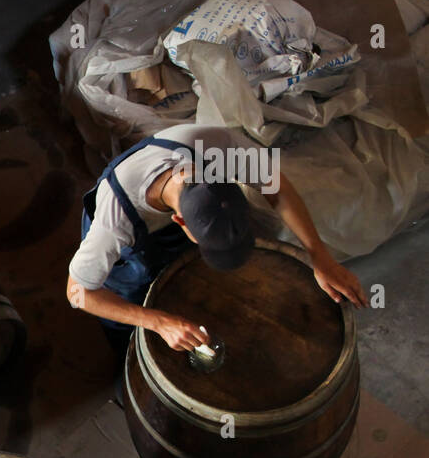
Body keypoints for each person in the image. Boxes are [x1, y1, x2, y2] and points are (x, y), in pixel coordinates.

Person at [67, 124, 368, 357]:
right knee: (131, 328)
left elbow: (277, 186)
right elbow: (77, 294)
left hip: (170, 225)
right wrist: (158, 322)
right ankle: (129, 368)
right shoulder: (114, 223)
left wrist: (319, 255)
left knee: (196, 291)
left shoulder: (214, 145)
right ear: (180, 222)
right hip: (128, 260)